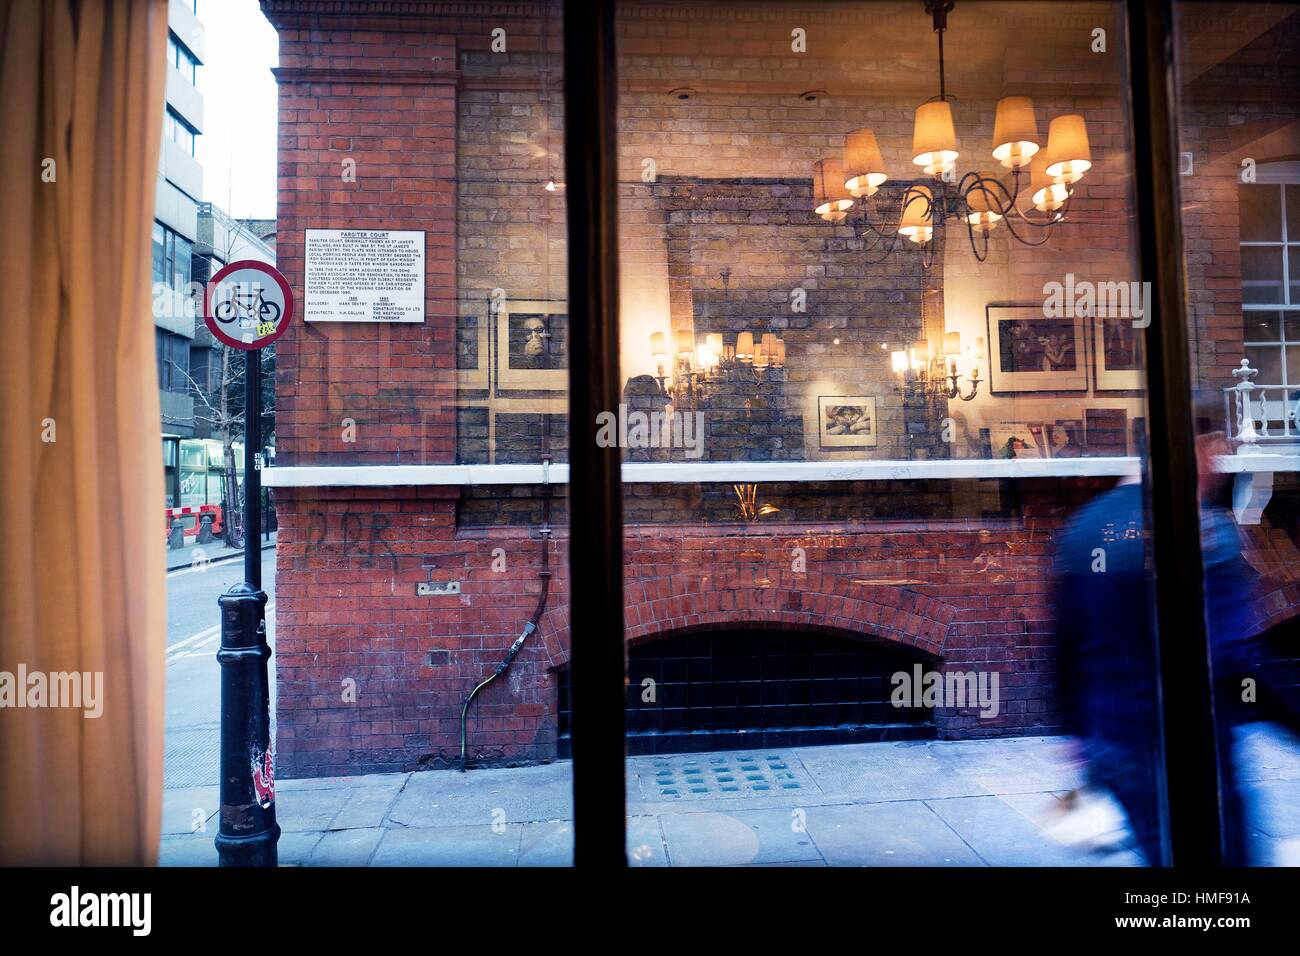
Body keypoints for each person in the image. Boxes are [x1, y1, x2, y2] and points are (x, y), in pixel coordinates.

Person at [1051, 395, 1295, 865]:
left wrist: (1074, 735)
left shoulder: (1084, 526)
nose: (1219, 469)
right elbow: (1231, 662)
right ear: (1197, 449)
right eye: (1217, 452)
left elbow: (1063, 643)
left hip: (1111, 740)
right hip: (1187, 746)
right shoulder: (1205, 533)